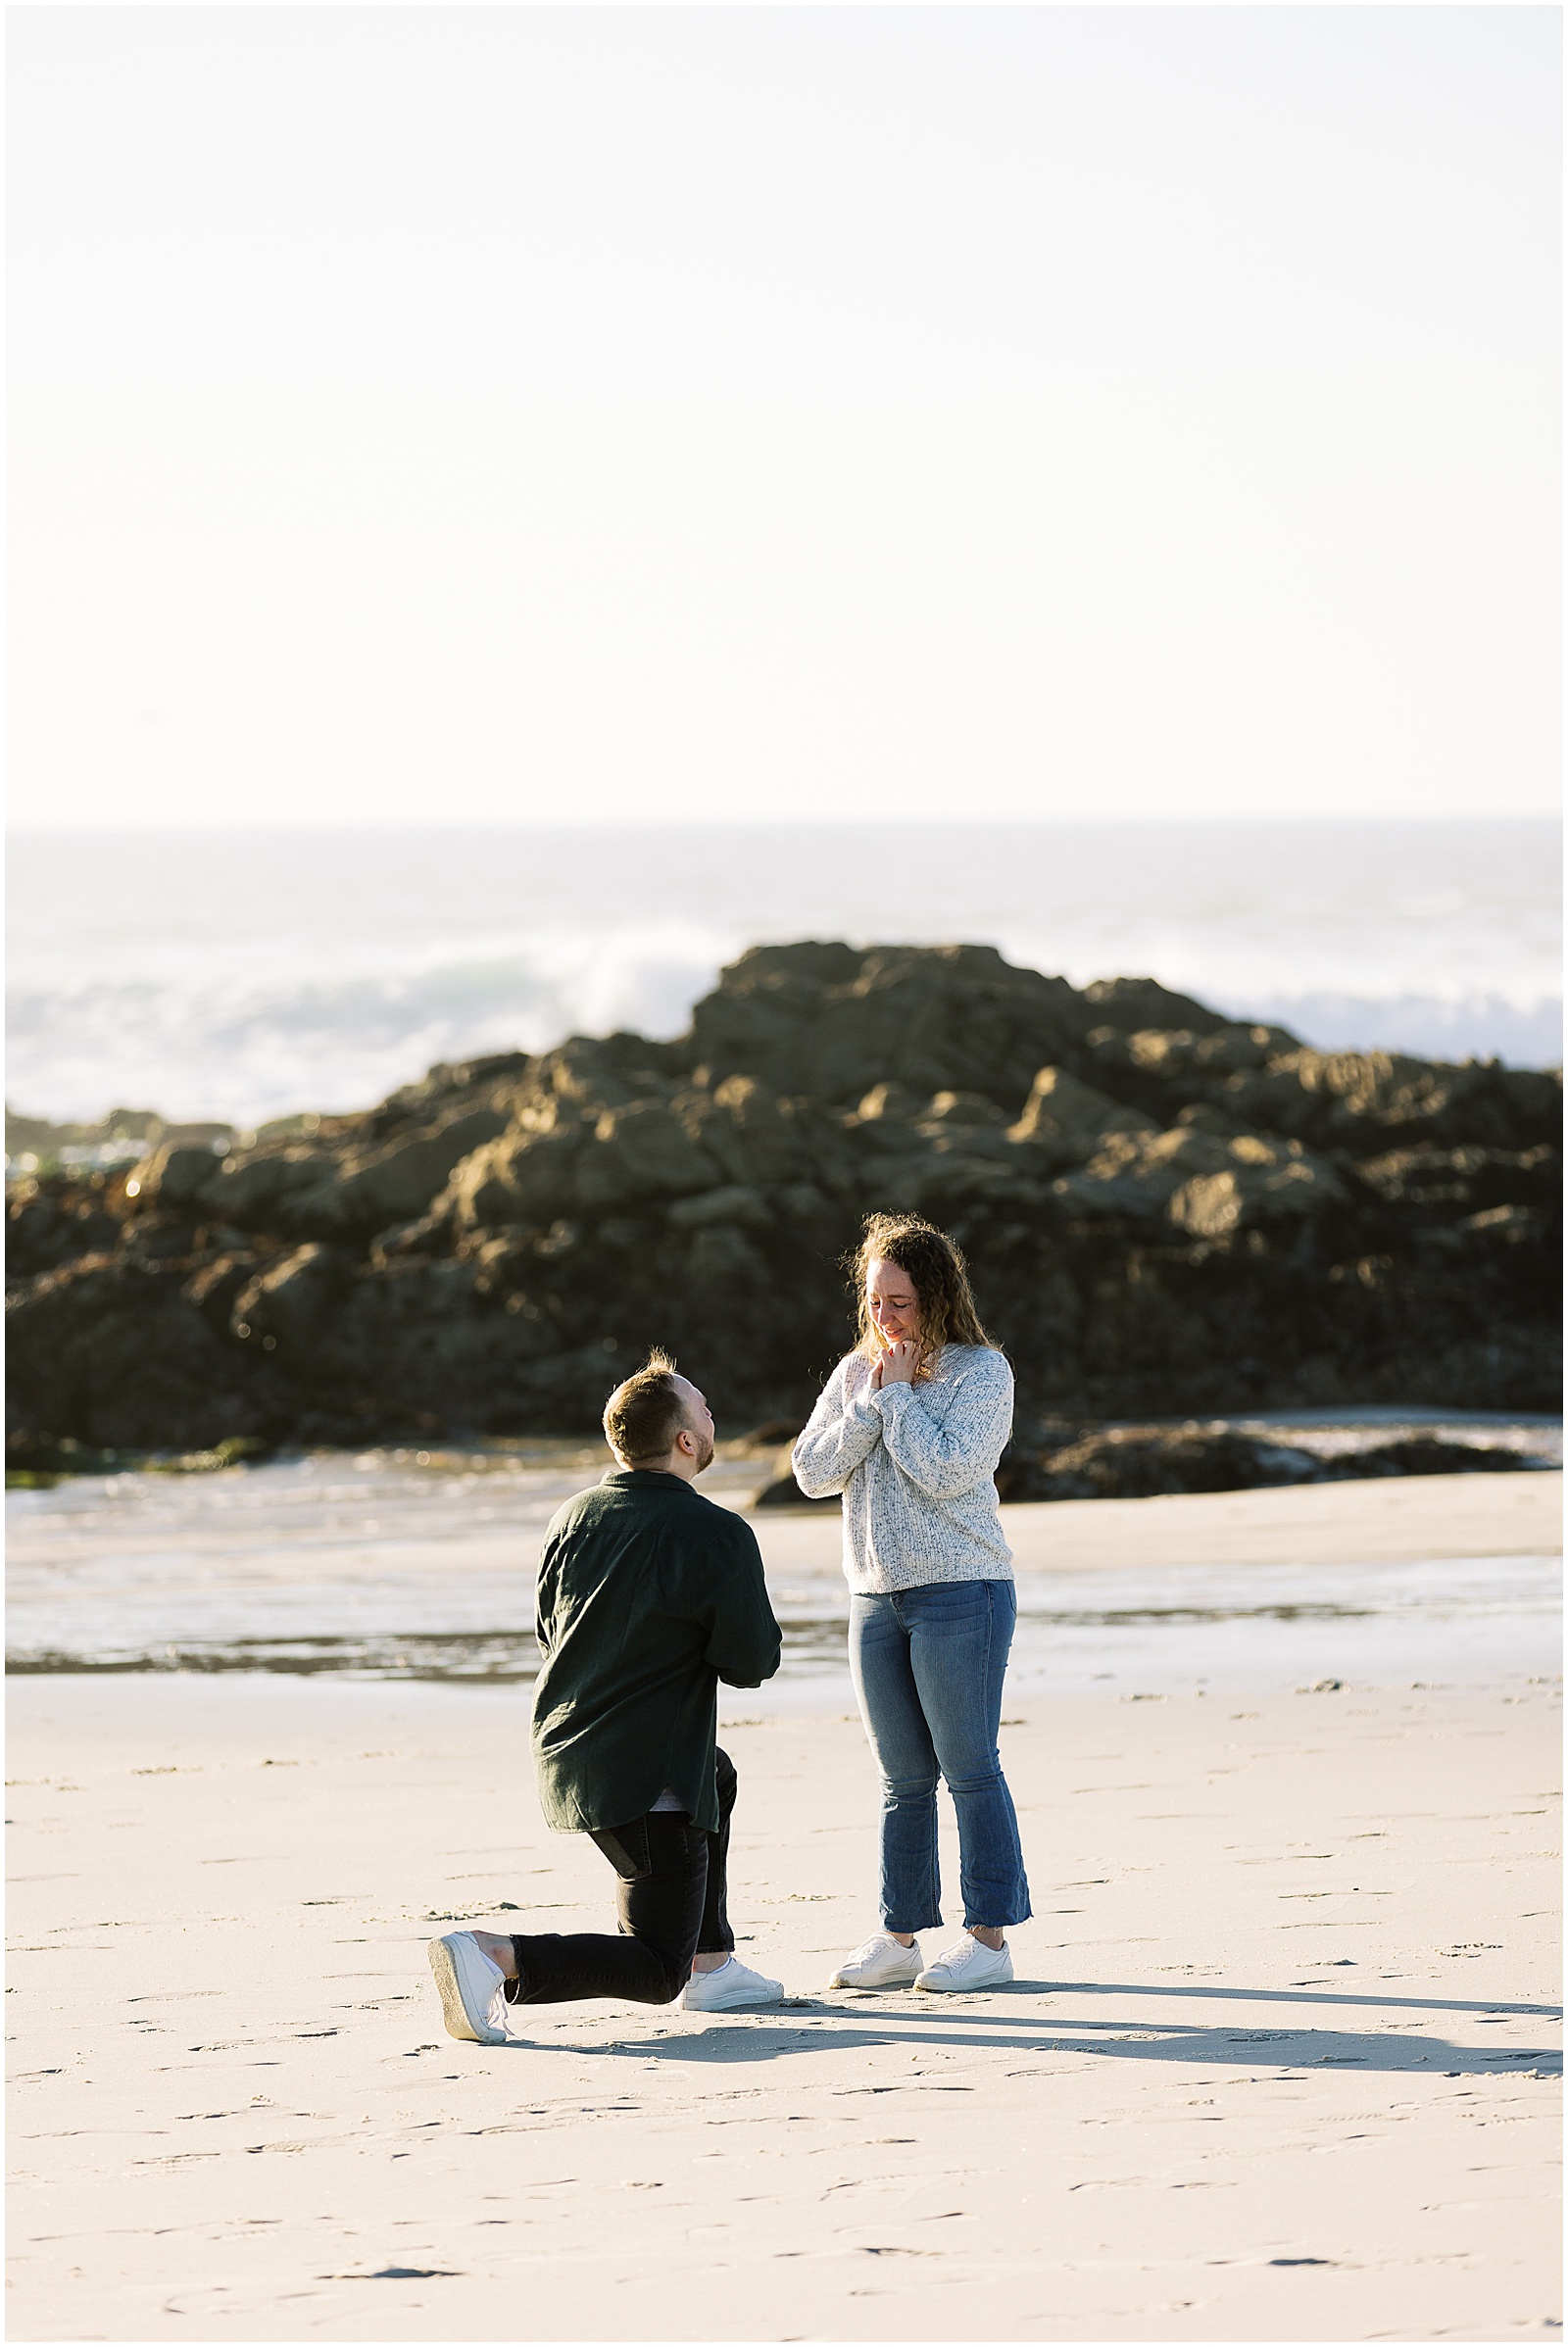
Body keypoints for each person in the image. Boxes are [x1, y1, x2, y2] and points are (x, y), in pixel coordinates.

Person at [428, 1350, 785, 2043]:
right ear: (686, 1440)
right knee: (655, 1968)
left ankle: (713, 1964)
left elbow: (547, 1629)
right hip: (644, 1779)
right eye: (704, 1409)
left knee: (715, 1772)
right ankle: (492, 1955)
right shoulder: (716, 1532)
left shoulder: (571, 1515)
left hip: (566, 1751)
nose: (713, 1417)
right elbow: (751, 1663)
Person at [792, 1213, 1030, 1993]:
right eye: (873, 1301)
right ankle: (900, 1936)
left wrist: (897, 1401)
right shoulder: (856, 1375)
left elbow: (949, 1471)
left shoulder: (981, 1372)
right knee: (902, 1780)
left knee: (969, 1768)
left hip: (962, 1590)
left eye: (898, 1302)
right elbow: (810, 1470)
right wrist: (873, 1401)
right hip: (873, 1595)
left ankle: (988, 1938)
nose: (883, 1318)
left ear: (934, 1297)